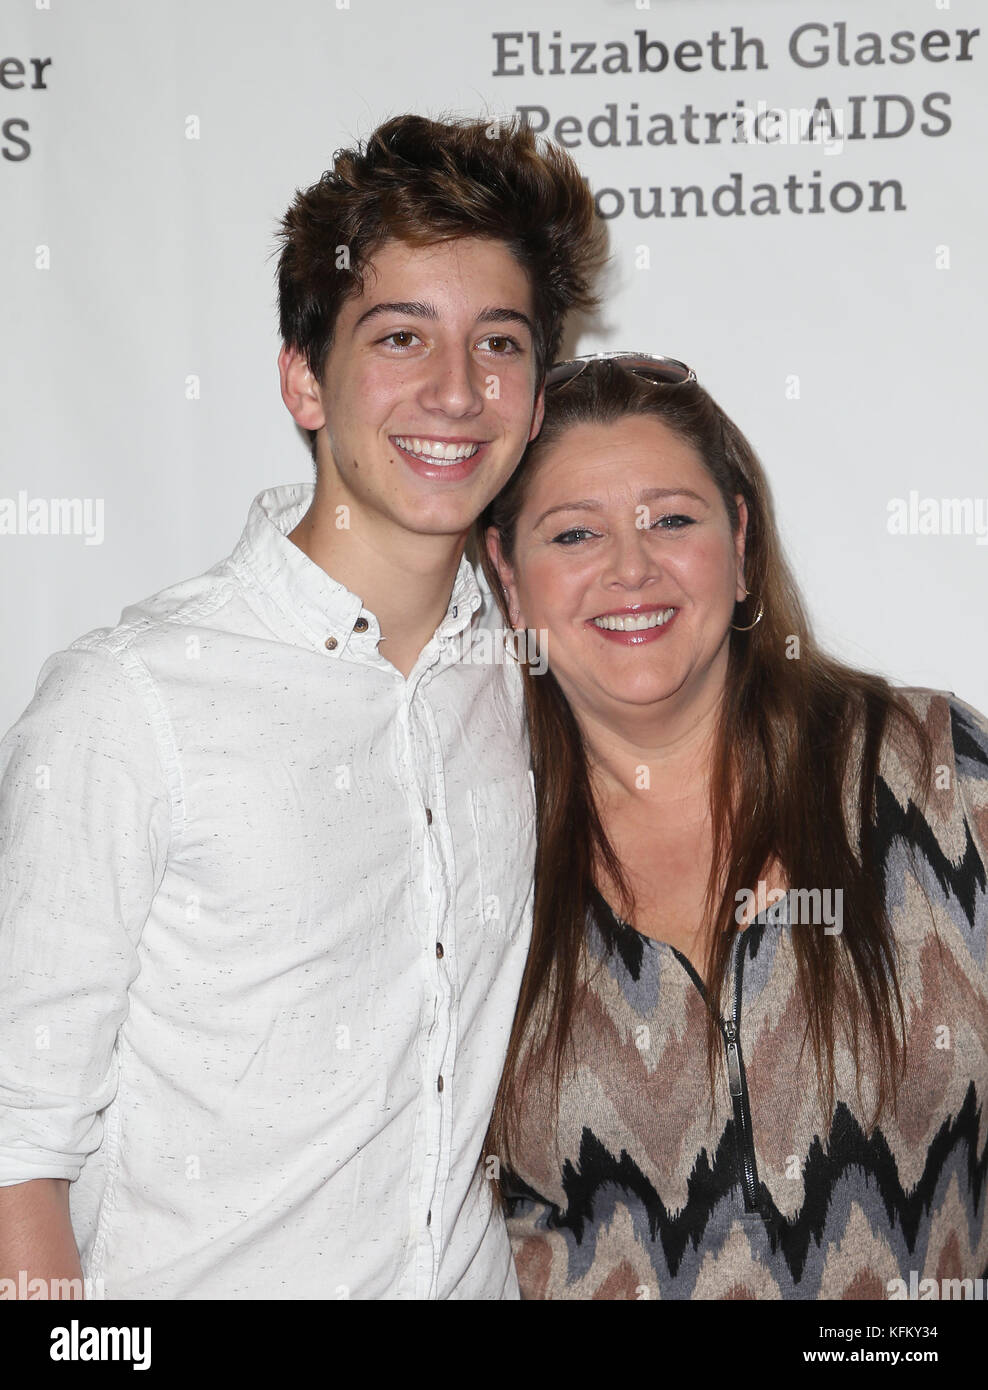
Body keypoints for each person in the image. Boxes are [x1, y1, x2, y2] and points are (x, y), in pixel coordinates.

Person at [0, 115, 604, 1299]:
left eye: (498, 343)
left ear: (536, 402)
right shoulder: (130, 700)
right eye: (399, 337)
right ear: (302, 377)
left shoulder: (539, 673)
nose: (454, 390)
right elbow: (16, 1152)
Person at [480, 353, 988, 1299]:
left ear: (742, 542)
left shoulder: (936, 773)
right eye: (574, 534)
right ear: (510, 577)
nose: (631, 568)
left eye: (672, 520)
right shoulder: (470, 851)